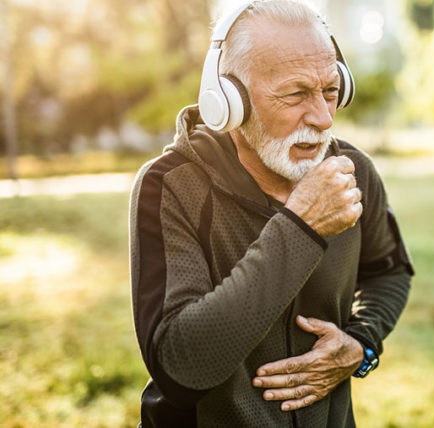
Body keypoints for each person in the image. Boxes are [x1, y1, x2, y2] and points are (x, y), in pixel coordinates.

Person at [129, 0, 413, 426]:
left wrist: (361, 344)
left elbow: (390, 271)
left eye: (331, 91)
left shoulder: (353, 171)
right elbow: (181, 368)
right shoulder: (168, 186)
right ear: (228, 99)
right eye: (296, 93)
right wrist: (301, 227)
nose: (321, 117)